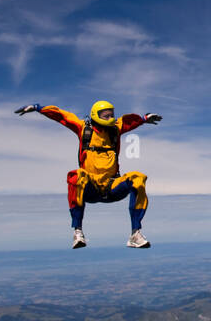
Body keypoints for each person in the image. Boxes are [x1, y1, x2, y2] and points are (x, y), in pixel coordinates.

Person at [15, 100, 162, 248]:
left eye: (111, 114)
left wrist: (144, 118)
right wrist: (37, 108)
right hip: (91, 188)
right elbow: (61, 116)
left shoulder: (114, 129)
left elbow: (129, 121)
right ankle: (78, 232)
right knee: (76, 175)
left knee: (137, 177)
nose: (110, 118)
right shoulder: (83, 128)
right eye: (105, 115)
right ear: (95, 115)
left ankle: (135, 234)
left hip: (112, 187)